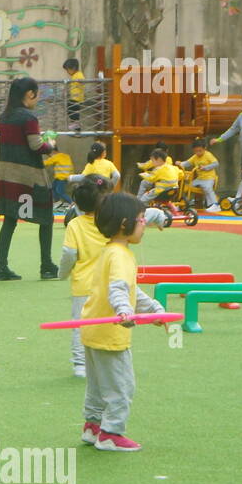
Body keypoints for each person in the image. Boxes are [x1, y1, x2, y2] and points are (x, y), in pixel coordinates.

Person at [79, 193, 165, 452]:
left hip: (93, 329)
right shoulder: (120, 255)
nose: (144, 225)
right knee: (121, 386)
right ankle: (111, 433)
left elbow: (129, 290)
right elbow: (118, 290)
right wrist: (124, 312)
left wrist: (153, 309)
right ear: (124, 224)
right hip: (110, 333)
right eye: (141, 220)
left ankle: (92, 426)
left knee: (96, 385)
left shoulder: (111, 252)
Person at [0, 77, 57, 281]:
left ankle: (1, 268)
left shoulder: (4, 117)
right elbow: (36, 146)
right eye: (36, 94)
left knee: (10, 220)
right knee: (46, 218)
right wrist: (51, 145)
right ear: (30, 94)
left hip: (8, 176)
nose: (36, 99)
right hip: (29, 177)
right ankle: (46, 266)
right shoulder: (29, 117)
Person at [58, 175, 110, 379]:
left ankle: (81, 363)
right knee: (107, 321)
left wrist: (62, 273)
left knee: (80, 324)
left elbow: (69, 254)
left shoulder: (75, 225)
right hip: (108, 281)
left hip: (83, 284)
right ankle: (103, 359)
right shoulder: (108, 222)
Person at [179, 137, 220, 212]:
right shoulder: (195, 157)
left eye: (200, 151)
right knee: (186, 187)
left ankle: (216, 205)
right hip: (199, 179)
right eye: (196, 151)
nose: (198, 153)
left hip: (209, 177)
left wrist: (206, 167)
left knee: (208, 188)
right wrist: (181, 164)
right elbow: (188, 163)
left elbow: (216, 163)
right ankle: (183, 203)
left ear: (205, 148)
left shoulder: (208, 155)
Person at [64, 57, 86, 133]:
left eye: (67, 69)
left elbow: (82, 81)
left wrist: (79, 81)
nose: (67, 72)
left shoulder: (78, 74)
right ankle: (76, 127)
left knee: (73, 111)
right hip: (74, 97)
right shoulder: (74, 75)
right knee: (71, 110)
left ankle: (76, 125)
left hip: (77, 98)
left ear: (73, 68)